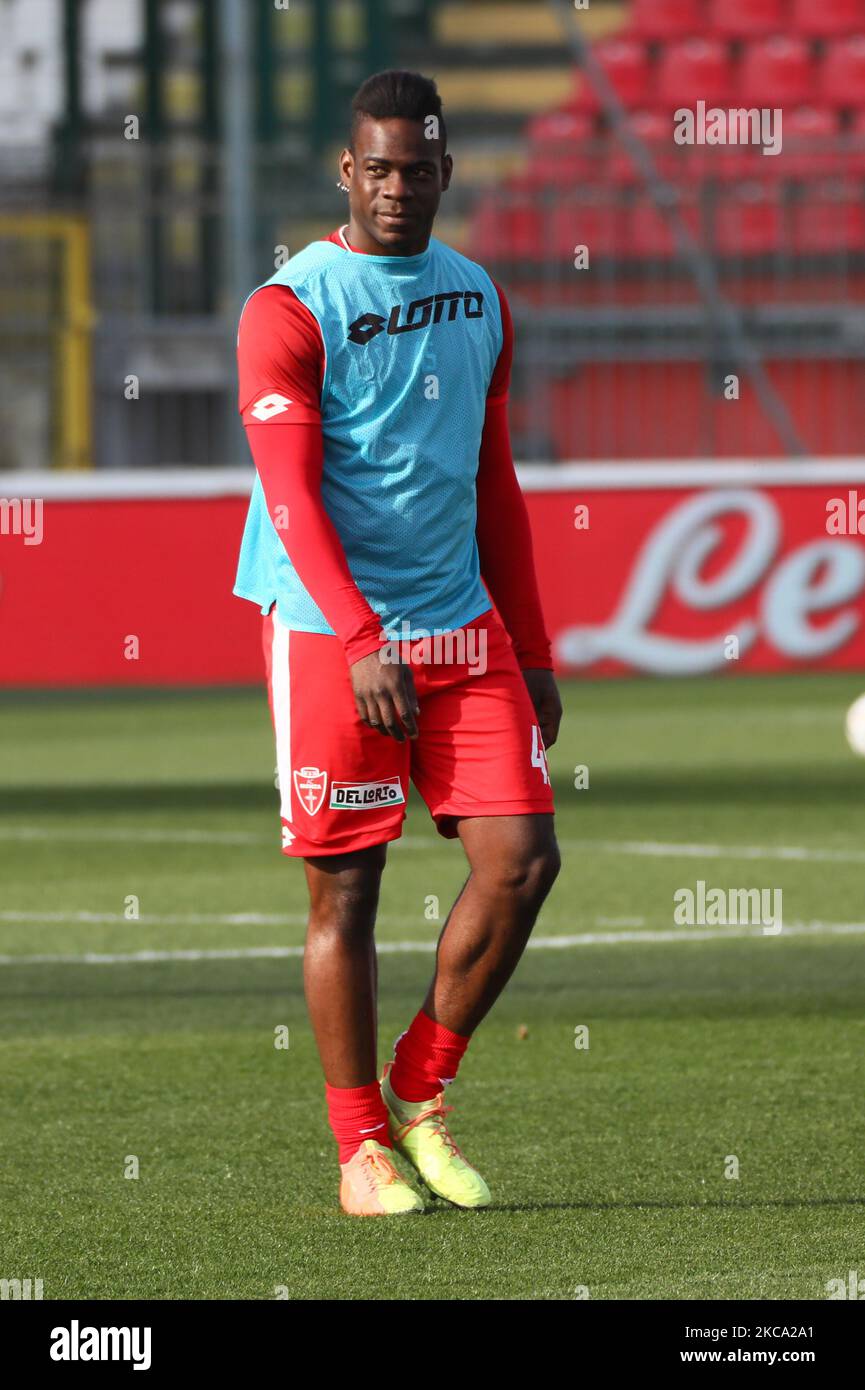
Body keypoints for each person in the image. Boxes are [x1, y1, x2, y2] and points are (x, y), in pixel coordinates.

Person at [234, 69, 561, 1216]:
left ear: (444, 175)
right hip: (335, 632)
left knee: (521, 861)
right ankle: (359, 1148)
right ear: (347, 172)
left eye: (416, 172)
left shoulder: (480, 297)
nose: (395, 190)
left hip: (461, 624)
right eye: (376, 170)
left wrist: (531, 646)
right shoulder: (289, 306)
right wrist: (362, 634)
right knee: (349, 891)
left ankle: (421, 1093)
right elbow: (288, 495)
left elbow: (494, 483)